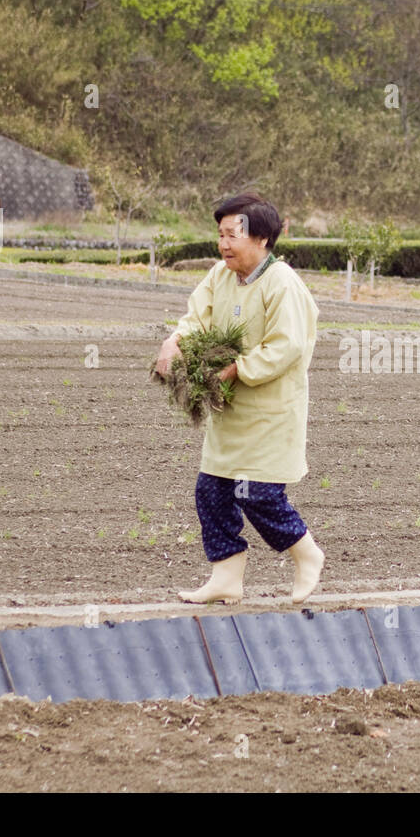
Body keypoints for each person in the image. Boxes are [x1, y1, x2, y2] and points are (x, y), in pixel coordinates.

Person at [154, 192, 324, 605]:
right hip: (229, 411)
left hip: (270, 413)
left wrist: (234, 370)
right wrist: (174, 342)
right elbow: (197, 318)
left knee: (258, 494)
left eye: (233, 235)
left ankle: (307, 555)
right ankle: (227, 577)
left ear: (263, 238)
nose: (224, 244)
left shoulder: (282, 284)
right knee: (211, 492)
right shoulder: (220, 275)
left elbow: (287, 347)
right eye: (221, 235)